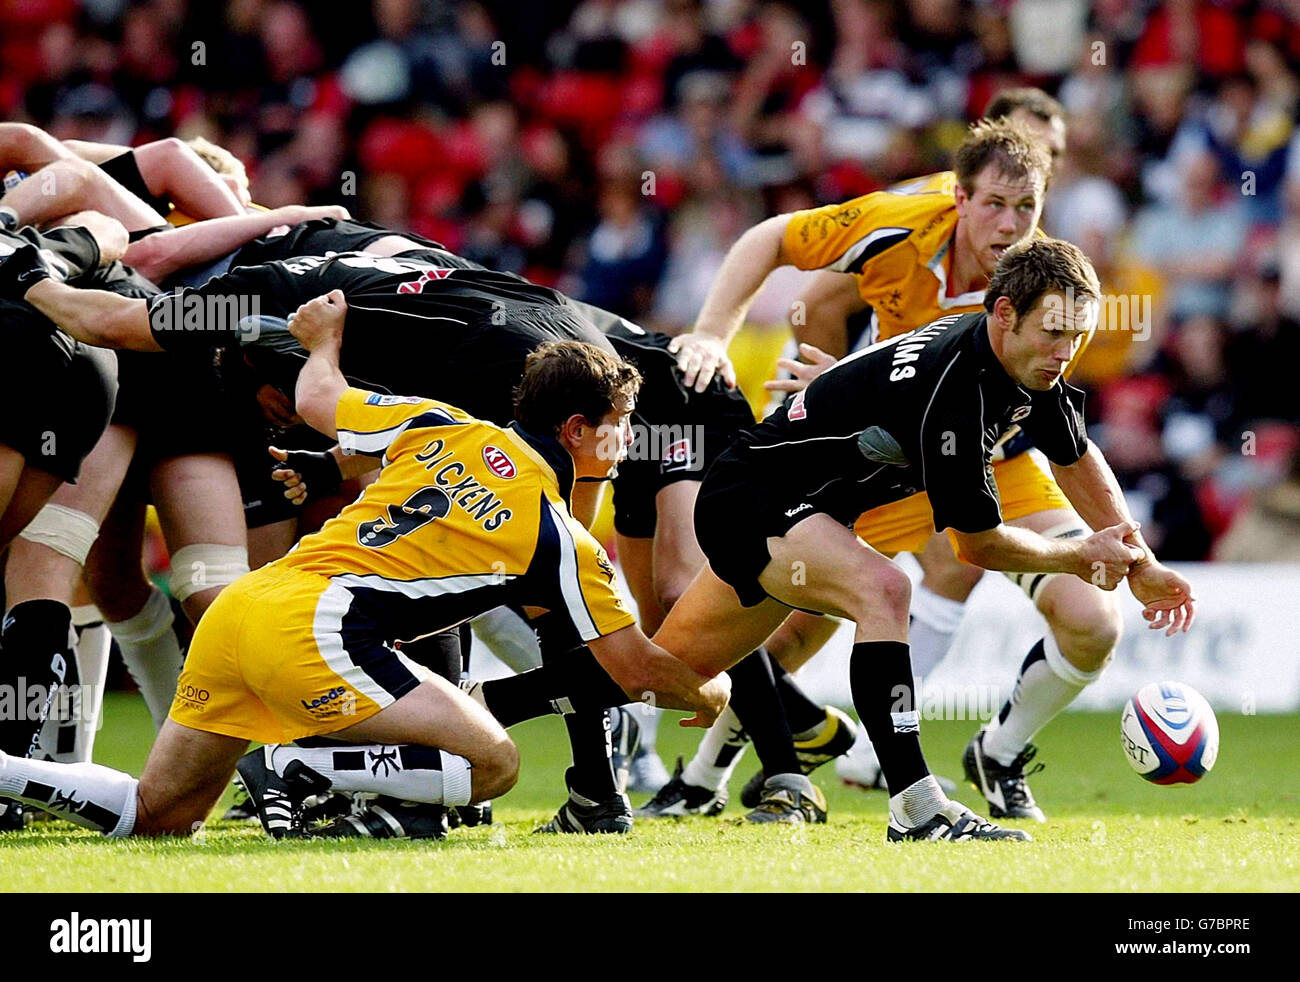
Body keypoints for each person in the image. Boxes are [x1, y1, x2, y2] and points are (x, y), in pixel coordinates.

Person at [470, 238, 1196, 842]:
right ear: (1003, 314)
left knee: (655, 673)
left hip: (784, 500)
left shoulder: (1023, 368)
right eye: (1054, 331)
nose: (1066, 350)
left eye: (1077, 333)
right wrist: (1080, 555)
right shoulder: (961, 390)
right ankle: (917, 809)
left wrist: (1140, 564)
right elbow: (976, 545)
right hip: (757, 498)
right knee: (888, 589)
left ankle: (477, 705)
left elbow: (1074, 456)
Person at [0, 299, 730, 839]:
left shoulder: (444, 423)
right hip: (316, 633)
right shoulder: (556, 537)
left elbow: (319, 398)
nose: (629, 442)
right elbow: (631, 667)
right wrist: (705, 685)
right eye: (622, 425)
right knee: (494, 763)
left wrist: (323, 340)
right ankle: (300, 769)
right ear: (576, 429)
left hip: (246, 608)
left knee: (158, 815)